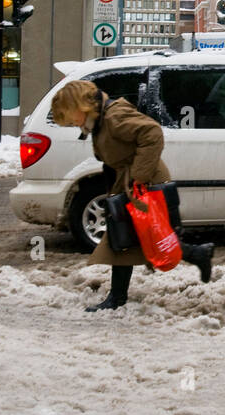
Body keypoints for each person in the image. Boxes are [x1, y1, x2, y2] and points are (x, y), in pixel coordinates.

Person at [50, 80, 215, 311]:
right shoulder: (99, 120)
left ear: (81, 106)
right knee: (131, 239)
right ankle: (197, 254)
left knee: (128, 240)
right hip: (129, 182)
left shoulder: (113, 116)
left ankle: (117, 299)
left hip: (142, 183)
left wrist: (138, 177)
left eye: (70, 117)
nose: (73, 123)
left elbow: (152, 133)